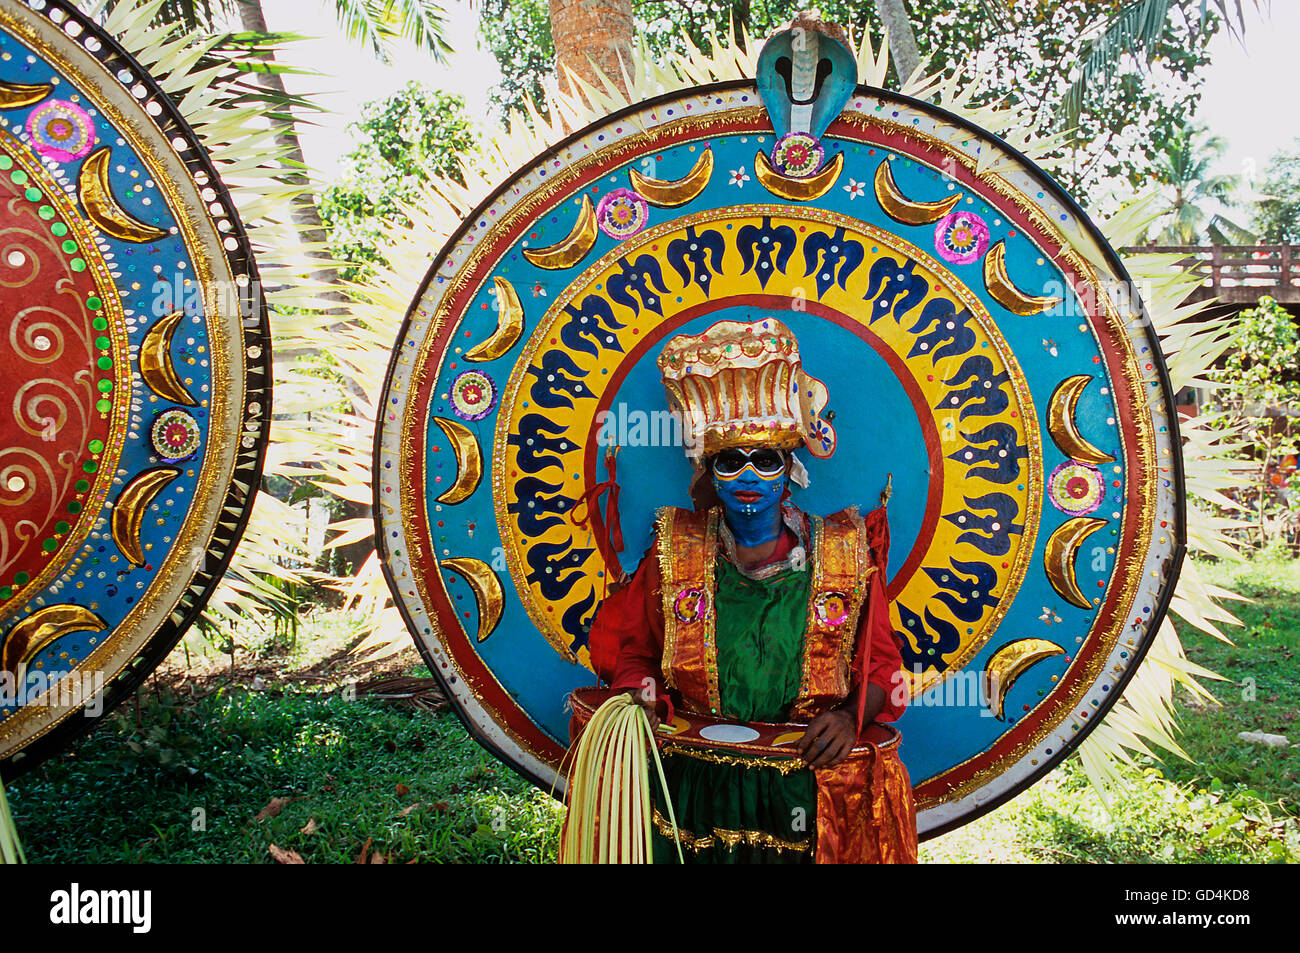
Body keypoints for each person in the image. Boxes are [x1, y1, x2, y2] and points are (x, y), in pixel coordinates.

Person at [585, 318, 917, 863]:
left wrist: (850, 715)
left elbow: (883, 668)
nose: (747, 475)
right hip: (690, 778)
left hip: (803, 782)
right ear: (709, 471)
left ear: (790, 469)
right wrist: (640, 701)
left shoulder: (844, 551)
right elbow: (636, 652)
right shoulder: (677, 548)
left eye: (766, 460)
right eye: (729, 460)